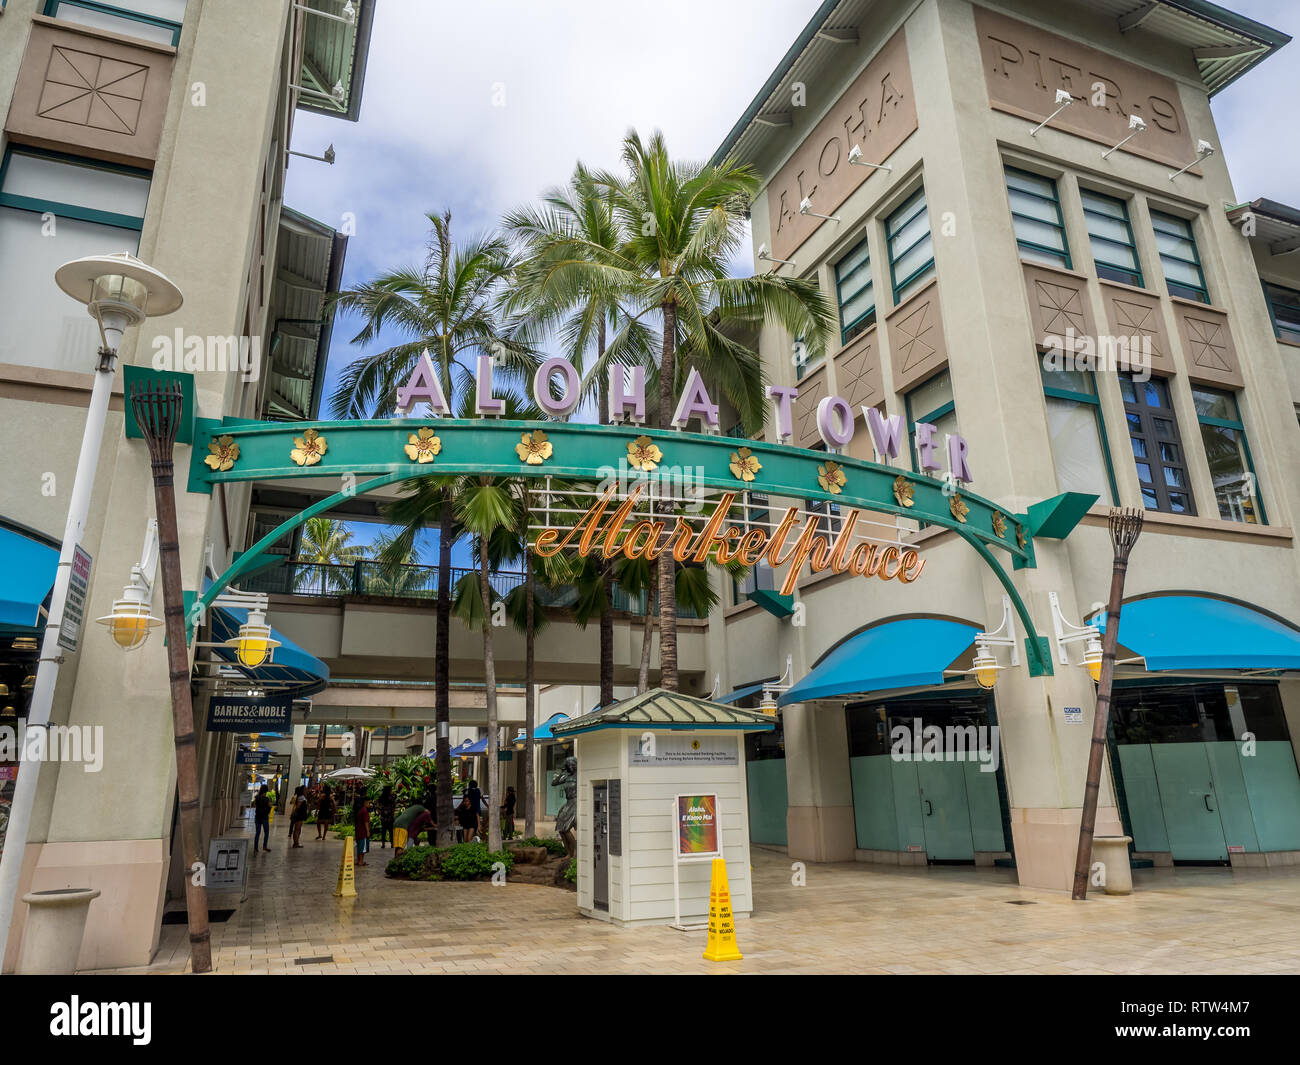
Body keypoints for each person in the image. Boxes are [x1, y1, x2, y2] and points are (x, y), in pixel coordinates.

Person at [253, 784, 271, 853]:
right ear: (266, 790)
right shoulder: (267, 799)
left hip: (257, 817)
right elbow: (270, 806)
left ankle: (255, 848)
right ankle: (264, 846)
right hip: (264, 817)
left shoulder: (257, 797)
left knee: (257, 833)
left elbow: (255, 805)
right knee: (266, 832)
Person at [354, 794, 372, 866]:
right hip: (363, 832)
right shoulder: (364, 811)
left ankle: (358, 860)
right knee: (363, 847)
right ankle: (361, 861)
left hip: (359, 831)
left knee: (359, 846)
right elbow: (366, 822)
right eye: (369, 803)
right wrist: (368, 831)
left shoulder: (360, 810)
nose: (369, 804)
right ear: (365, 802)